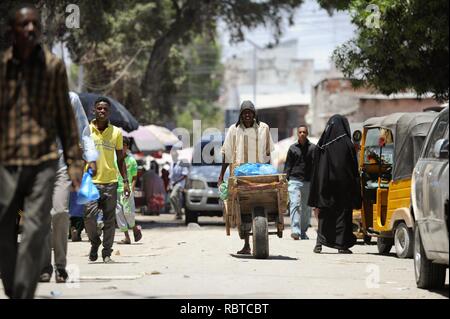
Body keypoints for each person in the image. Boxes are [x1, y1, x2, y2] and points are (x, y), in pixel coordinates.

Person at [0, 4, 83, 298]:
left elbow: (65, 118)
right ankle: (14, 284)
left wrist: (75, 162)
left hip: (44, 160)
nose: (31, 29)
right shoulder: (3, 67)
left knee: (37, 226)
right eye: (24, 25)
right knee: (5, 227)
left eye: (35, 24)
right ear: (12, 31)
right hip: (7, 161)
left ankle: (22, 291)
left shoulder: (52, 67)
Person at [40, 92, 97, 283]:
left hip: (61, 163)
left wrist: (91, 159)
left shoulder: (70, 98)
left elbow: (84, 130)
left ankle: (60, 266)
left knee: (59, 212)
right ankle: (44, 266)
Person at [218, 100, 274, 255]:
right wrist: (221, 174)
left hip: (259, 175)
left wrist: (270, 173)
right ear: (240, 115)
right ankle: (247, 243)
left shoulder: (264, 128)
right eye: (244, 112)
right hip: (239, 175)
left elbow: (268, 153)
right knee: (240, 209)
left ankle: (252, 239)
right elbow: (227, 154)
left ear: (254, 114)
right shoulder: (233, 130)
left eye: (250, 112)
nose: (247, 115)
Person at [308, 114, 362, 254]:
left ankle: (319, 244)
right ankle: (342, 245)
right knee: (342, 216)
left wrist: (319, 187)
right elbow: (352, 167)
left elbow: (316, 168)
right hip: (343, 188)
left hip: (325, 187)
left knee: (324, 215)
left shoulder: (322, 144)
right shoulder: (347, 144)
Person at [84, 97, 129, 263]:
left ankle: (107, 252)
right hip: (91, 182)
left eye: (105, 109)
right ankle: (95, 242)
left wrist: (125, 181)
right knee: (89, 217)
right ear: (94, 111)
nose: (102, 111)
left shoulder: (116, 132)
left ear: (109, 112)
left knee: (110, 221)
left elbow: (121, 159)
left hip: (111, 182)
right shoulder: (86, 131)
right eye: (99, 108)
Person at [284, 125, 316, 240]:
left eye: (304, 132)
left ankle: (303, 231)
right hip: (294, 180)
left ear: (307, 134)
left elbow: (316, 166)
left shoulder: (313, 148)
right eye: (300, 132)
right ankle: (295, 231)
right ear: (298, 134)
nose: (302, 134)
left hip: (308, 181)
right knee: (295, 204)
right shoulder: (292, 148)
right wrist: (285, 180)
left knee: (306, 208)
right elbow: (288, 165)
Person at [115, 137, 142, 244]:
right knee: (118, 213)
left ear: (127, 147)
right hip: (116, 190)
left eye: (124, 145)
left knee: (128, 212)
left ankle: (135, 228)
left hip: (127, 190)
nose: (122, 148)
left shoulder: (131, 161)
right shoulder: (115, 160)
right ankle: (127, 237)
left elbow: (135, 177)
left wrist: (132, 188)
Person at [169, 149, 189, 220]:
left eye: (174, 155)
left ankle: (178, 212)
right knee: (175, 198)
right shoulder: (171, 164)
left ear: (177, 156)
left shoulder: (181, 163)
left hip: (180, 184)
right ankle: (178, 213)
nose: (173, 156)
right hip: (173, 184)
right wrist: (169, 184)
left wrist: (177, 181)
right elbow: (170, 176)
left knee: (172, 196)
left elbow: (185, 175)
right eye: (172, 155)